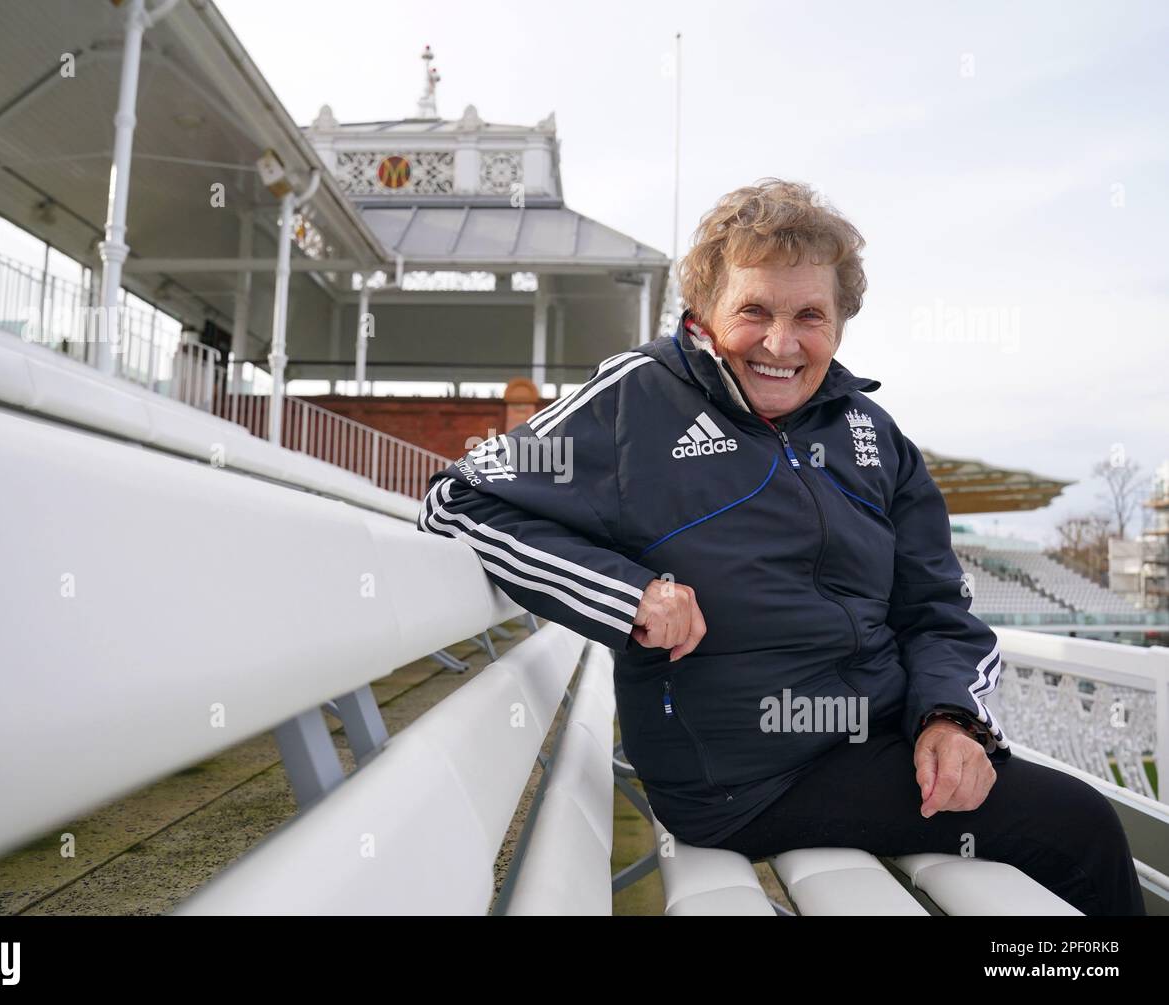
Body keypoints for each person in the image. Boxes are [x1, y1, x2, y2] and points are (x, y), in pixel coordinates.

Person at [417, 178, 1144, 915]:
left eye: (810, 316)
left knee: (1059, 836)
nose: (780, 343)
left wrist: (950, 717)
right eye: (754, 311)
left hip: (878, 735)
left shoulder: (873, 432)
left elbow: (935, 611)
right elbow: (460, 498)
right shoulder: (636, 398)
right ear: (702, 313)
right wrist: (627, 594)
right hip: (747, 774)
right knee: (1077, 828)